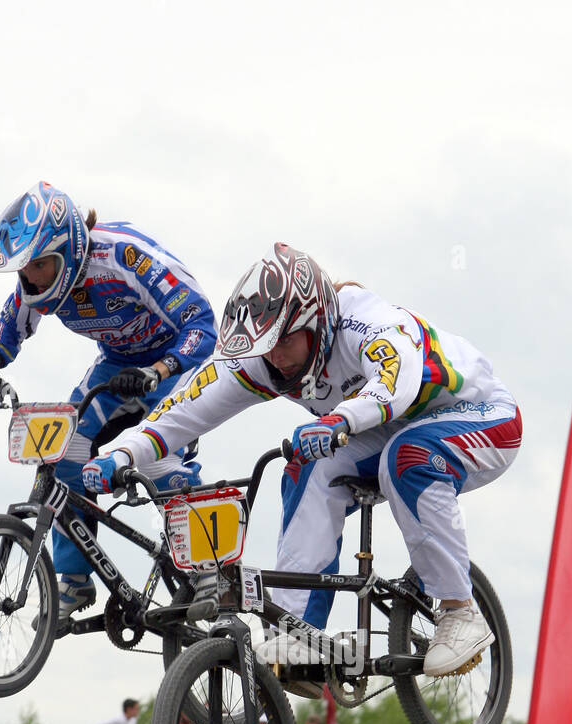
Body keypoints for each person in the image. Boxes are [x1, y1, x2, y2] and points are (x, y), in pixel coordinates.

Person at [88, 242, 522, 679]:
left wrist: (341, 419)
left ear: (317, 321)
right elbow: (184, 408)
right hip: (385, 424)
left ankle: (459, 608)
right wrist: (123, 454)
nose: (274, 357)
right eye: (264, 346)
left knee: (407, 457)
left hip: (479, 414)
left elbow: (397, 381)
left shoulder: (364, 321)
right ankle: (300, 632)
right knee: (305, 464)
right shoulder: (263, 357)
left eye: (284, 341)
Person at [0, 181, 215, 626]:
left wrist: (160, 370)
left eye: (40, 265)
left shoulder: (124, 257)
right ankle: (76, 579)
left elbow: (202, 322)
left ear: (71, 249)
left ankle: (209, 566)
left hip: (176, 362)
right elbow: (12, 320)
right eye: (25, 270)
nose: (32, 278)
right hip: (117, 366)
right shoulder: (36, 279)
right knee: (61, 451)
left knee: (157, 460)